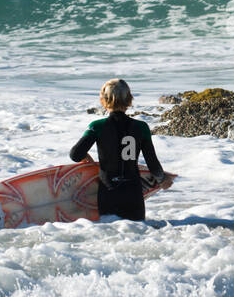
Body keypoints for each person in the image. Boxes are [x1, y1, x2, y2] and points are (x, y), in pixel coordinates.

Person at [69, 79, 165, 220]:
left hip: (108, 192)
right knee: (138, 234)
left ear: (103, 100)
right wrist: (162, 179)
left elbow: (75, 155)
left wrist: (85, 155)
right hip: (133, 193)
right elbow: (152, 163)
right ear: (129, 100)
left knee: (111, 235)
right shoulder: (141, 127)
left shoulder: (97, 126)